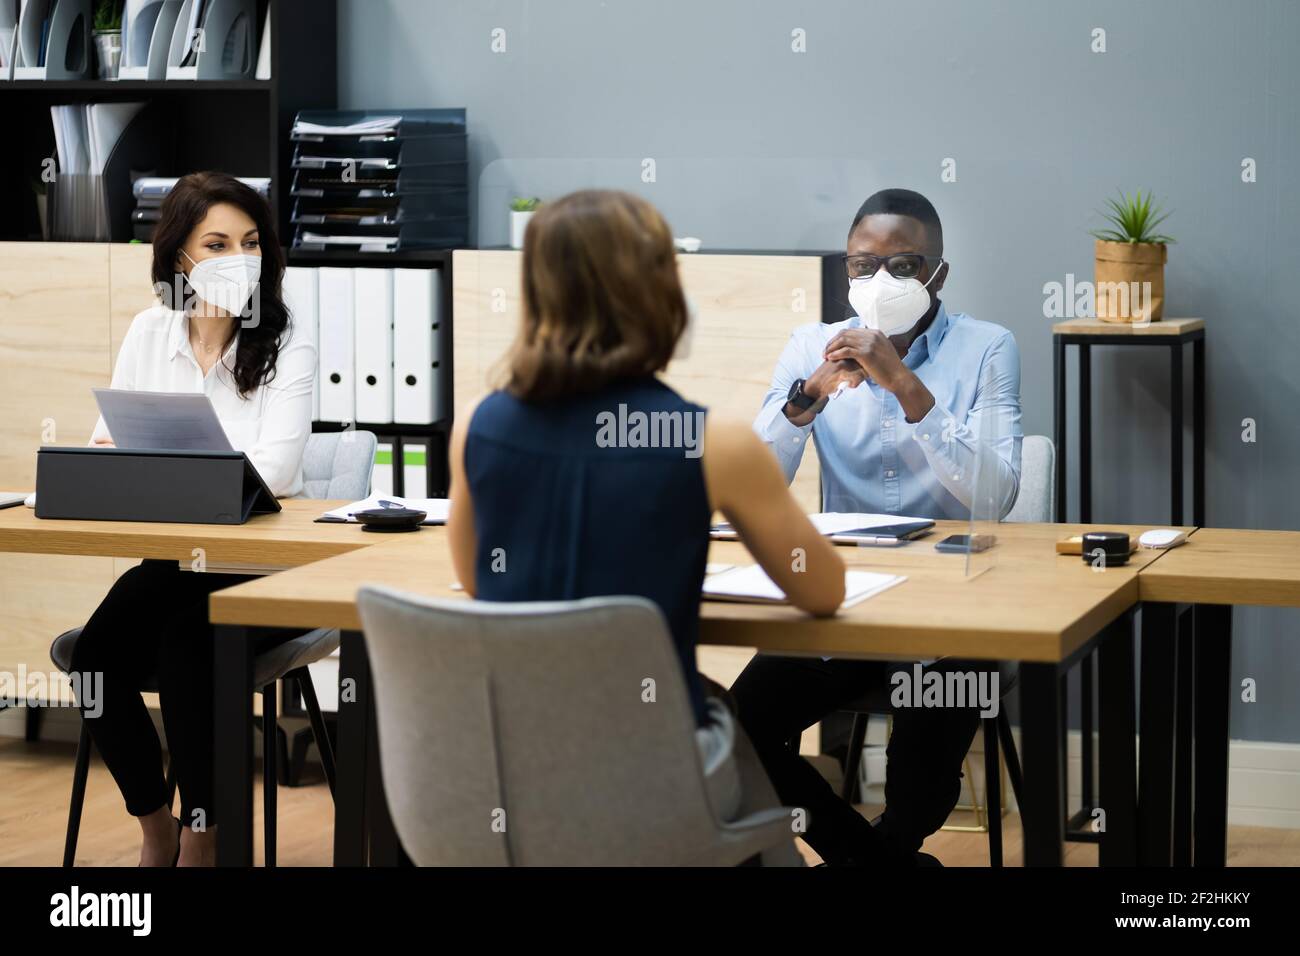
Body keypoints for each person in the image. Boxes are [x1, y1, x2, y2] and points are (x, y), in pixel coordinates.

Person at [446, 189, 846, 864]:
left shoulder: (475, 427)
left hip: (509, 771)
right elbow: (823, 591)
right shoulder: (712, 442)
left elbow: (475, 580)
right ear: (661, 296)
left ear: (540, 295)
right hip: (651, 780)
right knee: (728, 721)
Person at [731, 188, 1023, 866]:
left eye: (904, 265)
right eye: (862, 266)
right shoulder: (812, 344)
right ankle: (878, 866)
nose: (879, 282)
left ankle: (882, 857)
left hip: (956, 602)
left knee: (919, 786)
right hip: (846, 597)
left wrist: (906, 388)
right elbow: (756, 478)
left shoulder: (987, 348)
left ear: (938, 274)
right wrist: (808, 395)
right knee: (737, 733)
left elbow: (997, 495)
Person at [70, 171, 316, 866]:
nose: (238, 256)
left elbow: (278, 471)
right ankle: (157, 829)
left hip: (267, 571)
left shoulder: (286, 340)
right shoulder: (151, 331)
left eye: (250, 242)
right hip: (177, 561)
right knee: (94, 659)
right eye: (216, 243)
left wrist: (166, 476)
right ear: (179, 253)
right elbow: (105, 444)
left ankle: (203, 837)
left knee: (187, 645)